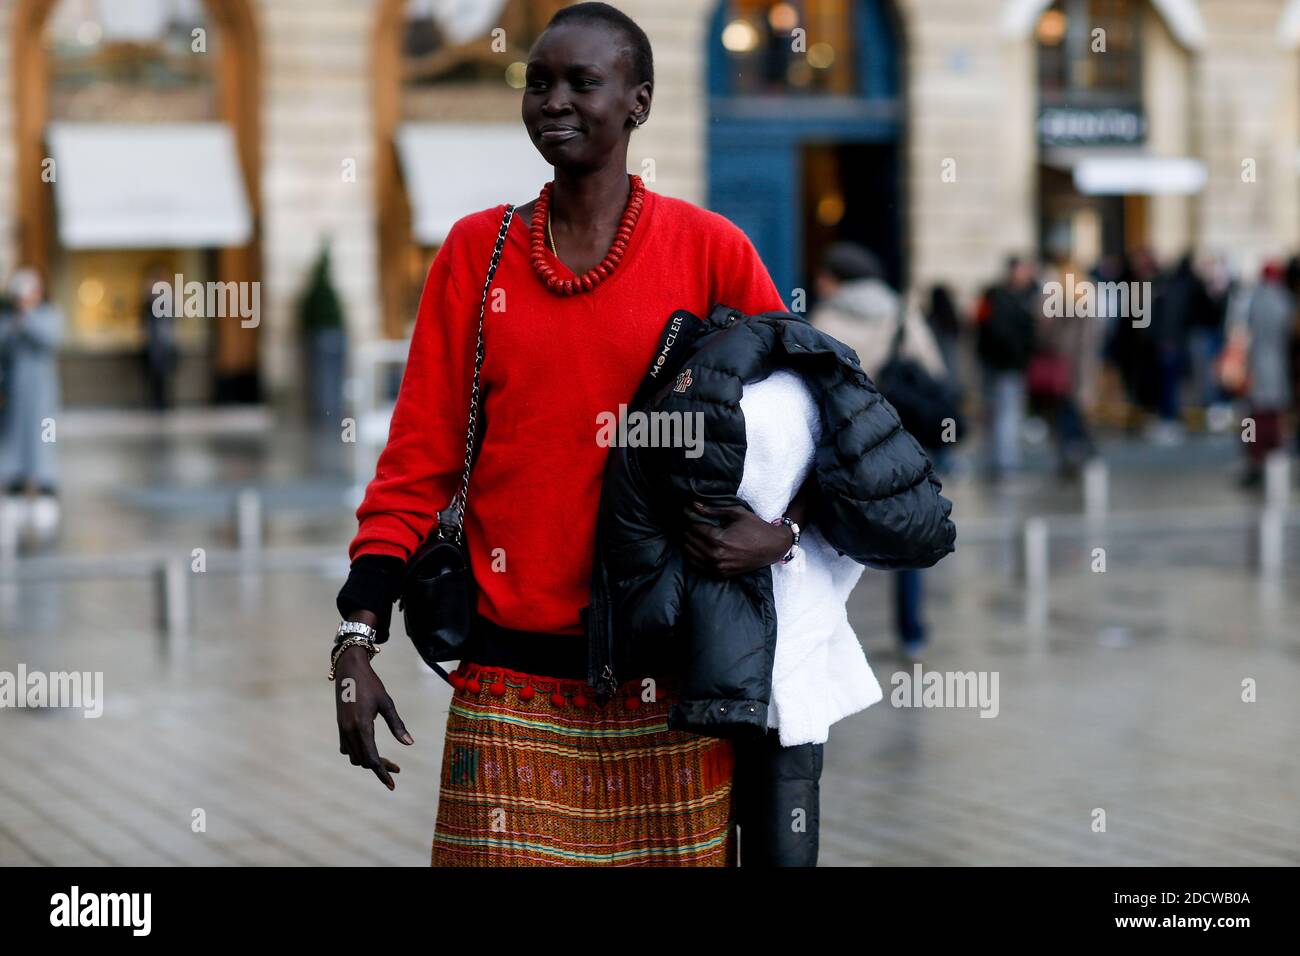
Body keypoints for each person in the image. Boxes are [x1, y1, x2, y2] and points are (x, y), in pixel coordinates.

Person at [332, 3, 789, 866]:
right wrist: (357, 635)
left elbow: (813, 419)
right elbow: (416, 462)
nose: (555, 100)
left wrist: (784, 531)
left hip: (670, 691)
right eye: (538, 81)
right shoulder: (476, 253)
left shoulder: (710, 250)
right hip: (506, 688)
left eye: (584, 81)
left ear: (639, 101)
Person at [809, 242, 948, 659]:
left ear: (837, 278)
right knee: (903, 529)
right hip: (899, 441)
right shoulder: (901, 312)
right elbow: (934, 369)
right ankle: (911, 632)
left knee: (833, 540)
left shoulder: (825, 317)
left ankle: (833, 638)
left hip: (848, 444)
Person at [0, 267, 63, 541]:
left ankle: (45, 495)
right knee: (13, 446)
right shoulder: (7, 322)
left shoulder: (48, 317)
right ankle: (13, 494)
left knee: (43, 445)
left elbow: (50, 339)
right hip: (14, 400)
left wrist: (26, 320)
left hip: (42, 403)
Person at [976, 255, 1039, 479]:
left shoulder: (1021, 295)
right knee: (1005, 414)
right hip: (1004, 364)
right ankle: (1004, 463)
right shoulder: (1001, 296)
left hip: (1005, 363)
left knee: (1002, 413)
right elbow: (990, 329)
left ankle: (999, 460)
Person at [1239, 260, 1294, 489]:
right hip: (1279, 365)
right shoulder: (1285, 301)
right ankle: (1277, 459)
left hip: (1258, 364)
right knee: (1274, 417)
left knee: (1252, 418)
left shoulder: (1256, 299)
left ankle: (1255, 459)